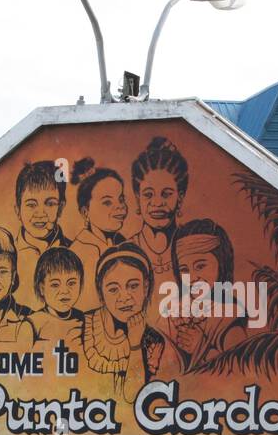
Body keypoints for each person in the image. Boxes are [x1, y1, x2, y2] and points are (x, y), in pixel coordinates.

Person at [81, 243, 179, 402]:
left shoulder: (154, 341)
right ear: (101, 292)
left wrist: (135, 344)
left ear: (146, 287)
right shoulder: (83, 327)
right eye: (113, 289)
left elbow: (134, 398)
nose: (125, 297)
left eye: (133, 286)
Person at [167, 218, 249, 371]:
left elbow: (240, 370)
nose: (192, 277)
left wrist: (202, 348)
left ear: (221, 263)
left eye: (200, 266)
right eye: (184, 270)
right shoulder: (176, 310)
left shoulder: (229, 317)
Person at [127, 136, 189, 285]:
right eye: (148, 194)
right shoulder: (128, 251)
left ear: (180, 198)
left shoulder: (191, 246)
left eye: (166, 194)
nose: (157, 203)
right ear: (137, 198)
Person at [69, 157, 129, 306]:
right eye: (107, 202)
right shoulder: (78, 255)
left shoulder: (125, 245)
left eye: (121, 199)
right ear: (85, 212)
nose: (119, 207)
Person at [13, 160, 71, 309]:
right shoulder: (8, 257)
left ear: (61, 207)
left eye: (50, 204)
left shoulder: (76, 251)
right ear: (18, 210)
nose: (40, 214)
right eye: (31, 205)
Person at [28, 246, 85, 355]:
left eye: (71, 283)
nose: (64, 291)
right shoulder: (34, 323)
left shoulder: (82, 318)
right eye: (55, 285)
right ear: (42, 288)